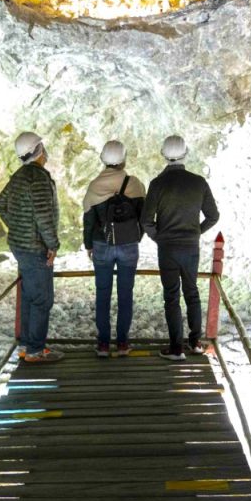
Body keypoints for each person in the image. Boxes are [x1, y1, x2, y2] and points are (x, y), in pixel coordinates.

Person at [141, 135, 219, 361]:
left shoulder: (157, 184)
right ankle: (195, 343)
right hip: (190, 246)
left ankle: (176, 348)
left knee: (172, 297)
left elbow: (146, 221)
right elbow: (213, 216)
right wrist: (195, 232)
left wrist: (160, 238)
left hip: (167, 248)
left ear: (163, 155)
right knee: (192, 293)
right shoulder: (198, 182)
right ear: (185, 154)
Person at [0, 131, 63, 363]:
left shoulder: (19, 176)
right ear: (38, 150)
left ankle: (25, 345)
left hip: (20, 245)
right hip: (35, 248)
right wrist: (52, 244)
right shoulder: (38, 178)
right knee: (42, 299)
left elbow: (1, 204)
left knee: (28, 296)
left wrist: (17, 226)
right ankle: (35, 350)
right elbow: (43, 216)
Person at [82, 139, 146, 358]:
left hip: (102, 244)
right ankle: (122, 343)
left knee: (103, 294)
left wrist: (88, 245)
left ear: (103, 159)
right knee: (125, 294)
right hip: (128, 245)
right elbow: (144, 217)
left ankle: (102, 344)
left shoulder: (94, 186)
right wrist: (136, 237)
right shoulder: (135, 184)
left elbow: (89, 220)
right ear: (124, 160)